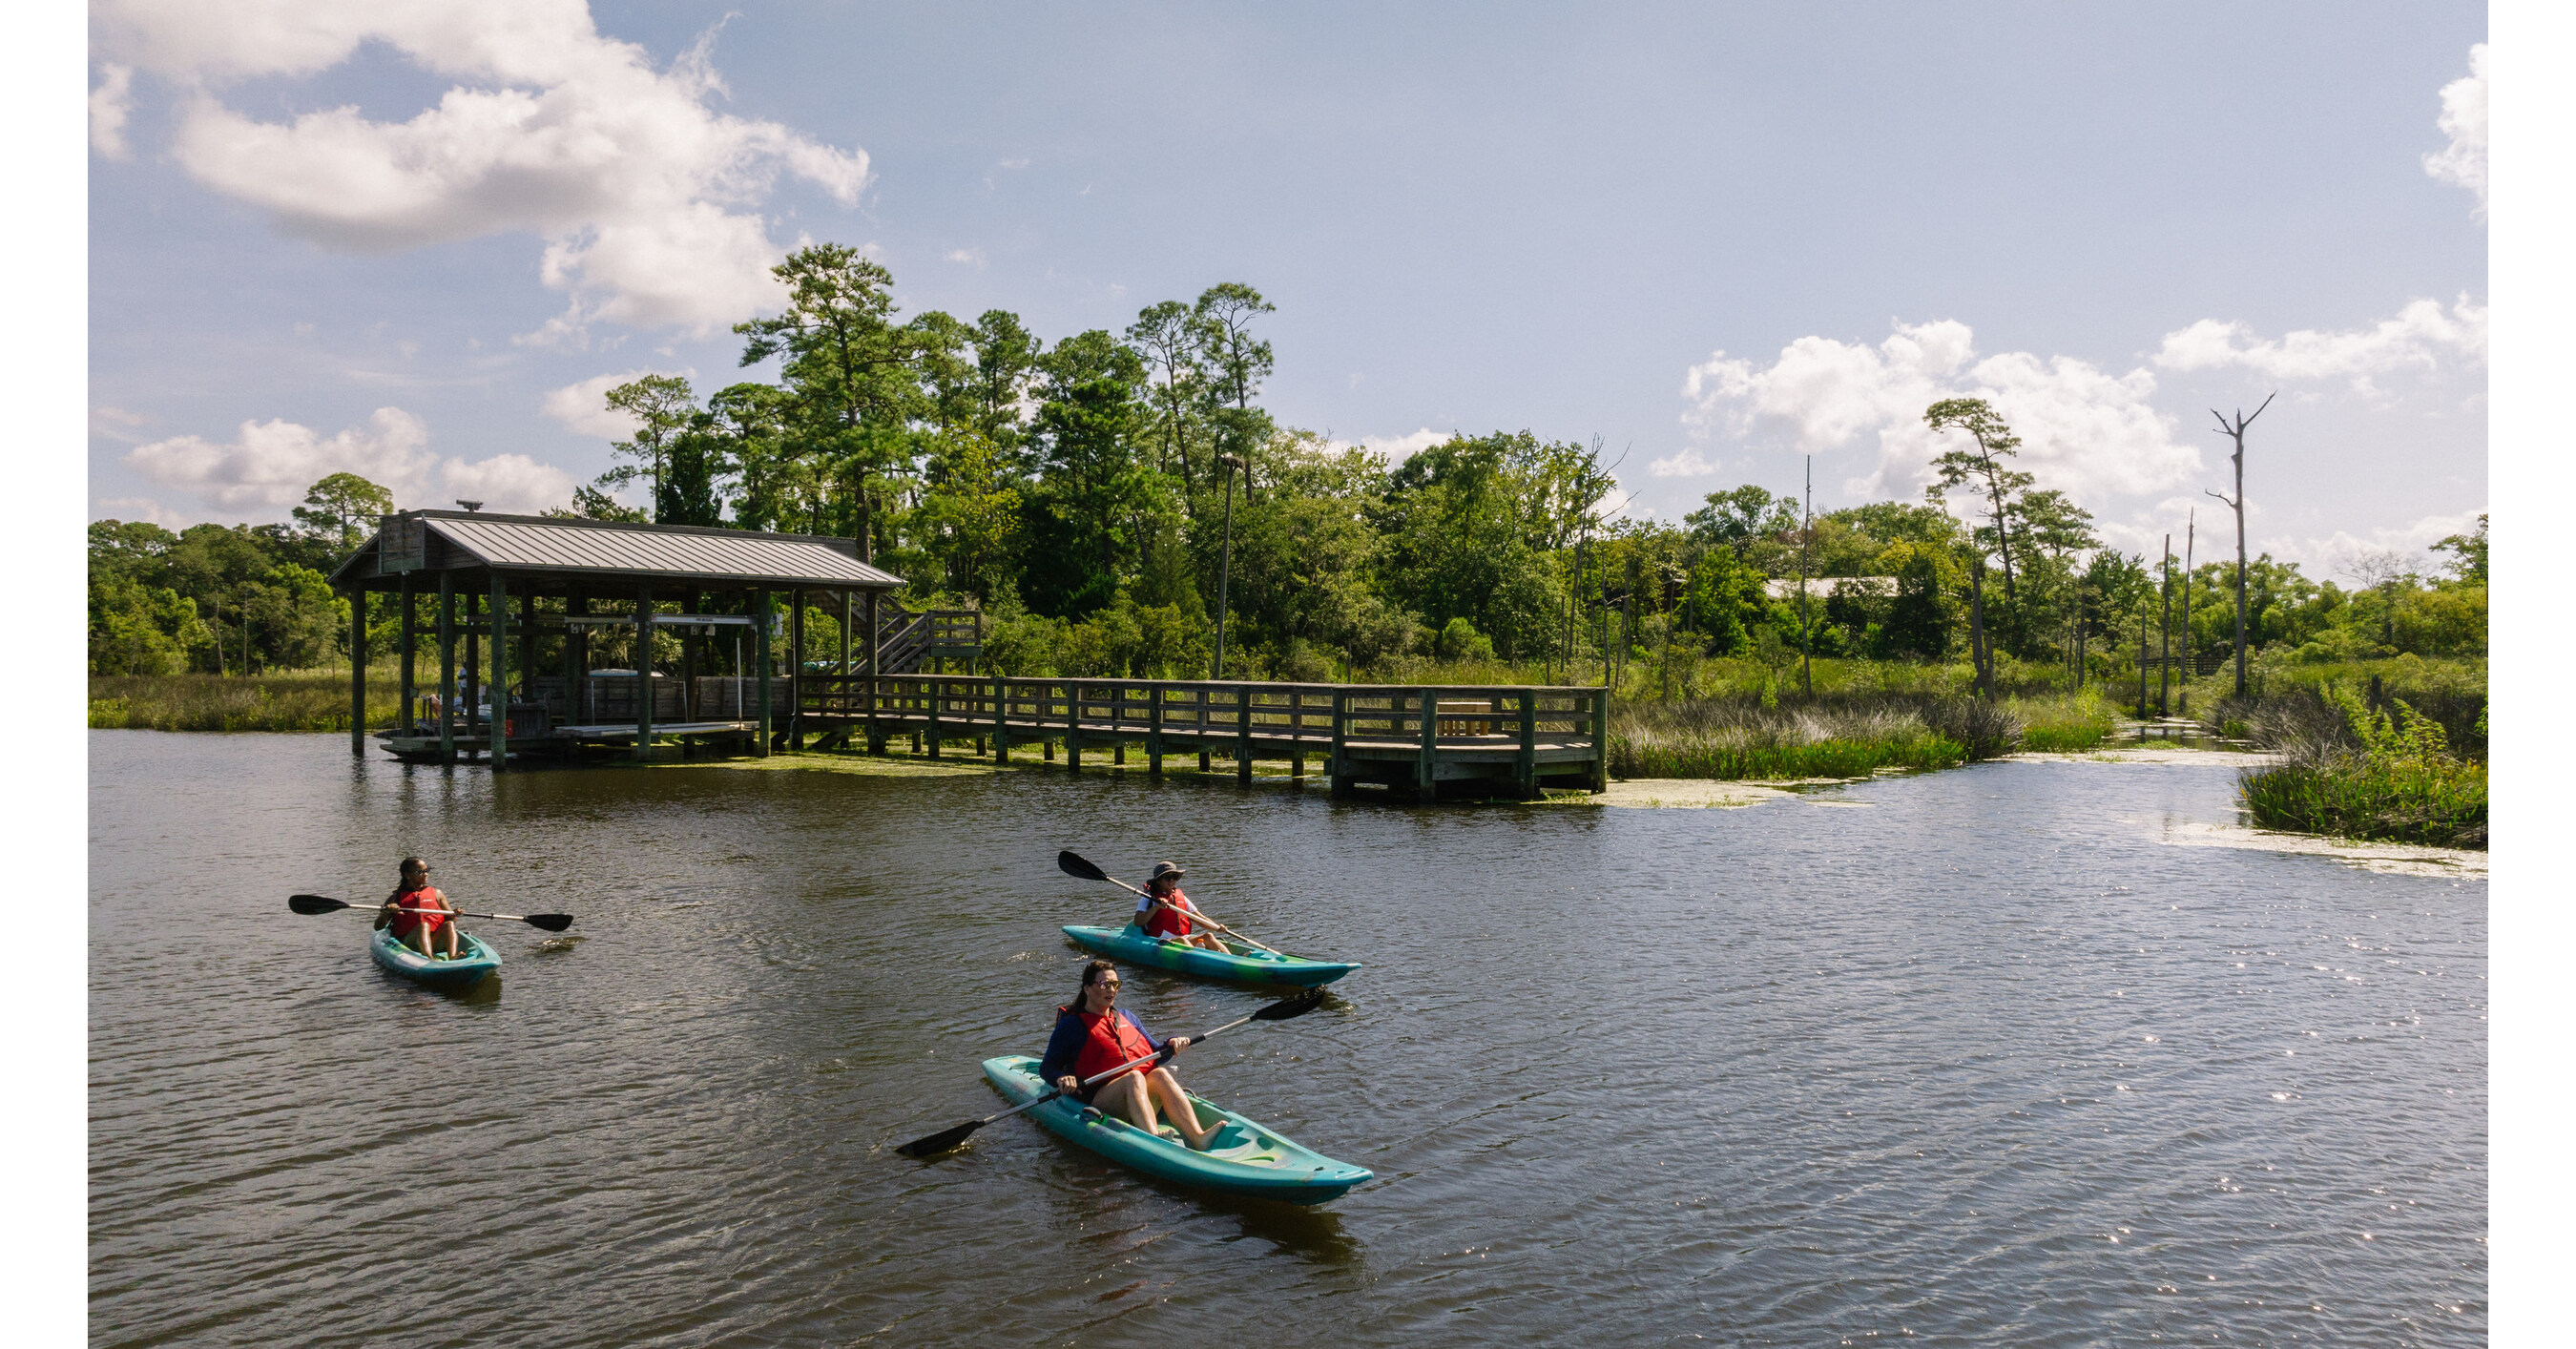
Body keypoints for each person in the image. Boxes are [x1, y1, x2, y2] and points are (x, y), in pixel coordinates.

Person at [1038, 960, 1220, 1151]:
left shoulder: (1127, 1017)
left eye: (1115, 984)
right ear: (1087, 989)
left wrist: (1171, 1044)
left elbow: (1155, 1055)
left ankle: (1198, 1137)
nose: (1112, 990)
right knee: (1134, 1077)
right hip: (1101, 1102)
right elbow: (1046, 1068)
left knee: (1160, 1074)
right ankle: (1153, 1139)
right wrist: (1061, 1078)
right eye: (1104, 984)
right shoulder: (1071, 1025)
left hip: (1137, 1095)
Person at [374, 856, 463, 960]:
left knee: (449, 924)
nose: (426, 874)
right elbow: (378, 927)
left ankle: (452, 956)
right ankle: (430, 958)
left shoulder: (437, 893)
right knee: (423, 926)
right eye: (420, 872)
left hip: (435, 941)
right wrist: (387, 912)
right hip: (411, 943)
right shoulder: (396, 897)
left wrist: (454, 914)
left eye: (427, 870)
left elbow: (451, 920)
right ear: (407, 875)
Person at [1135, 861, 1230, 953]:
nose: (1171, 880)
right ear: (1159, 881)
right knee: (1182, 941)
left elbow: (1200, 919)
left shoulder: (1181, 897)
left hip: (1183, 937)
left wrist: (1217, 927)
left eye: (1174, 877)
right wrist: (1156, 907)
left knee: (1208, 936)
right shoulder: (1149, 897)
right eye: (1167, 877)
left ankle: (1231, 959)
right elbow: (1138, 921)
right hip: (1160, 940)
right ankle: (1195, 959)